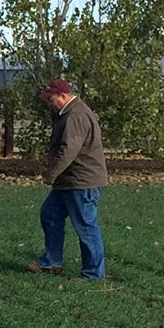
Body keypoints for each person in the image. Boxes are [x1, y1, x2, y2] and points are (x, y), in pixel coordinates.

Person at [29, 78, 107, 280]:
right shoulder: (69, 112)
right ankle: (51, 262)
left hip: (82, 181)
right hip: (69, 181)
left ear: (63, 96)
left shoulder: (76, 115)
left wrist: (51, 173)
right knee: (50, 215)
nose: (50, 103)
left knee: (86, 226)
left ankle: (93, 274)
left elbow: (68, 150)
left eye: (52, 99)